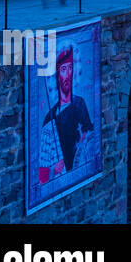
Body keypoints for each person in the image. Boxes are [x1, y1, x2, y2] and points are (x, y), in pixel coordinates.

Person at [40, 46, 93, 183]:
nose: (68, 74)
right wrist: (54, 170)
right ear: (57, 75)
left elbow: (90, 135)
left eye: (70, 68)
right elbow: (42, 170)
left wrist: (83, 143)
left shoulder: (79, 104)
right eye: (64, 69)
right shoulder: (50, 118)